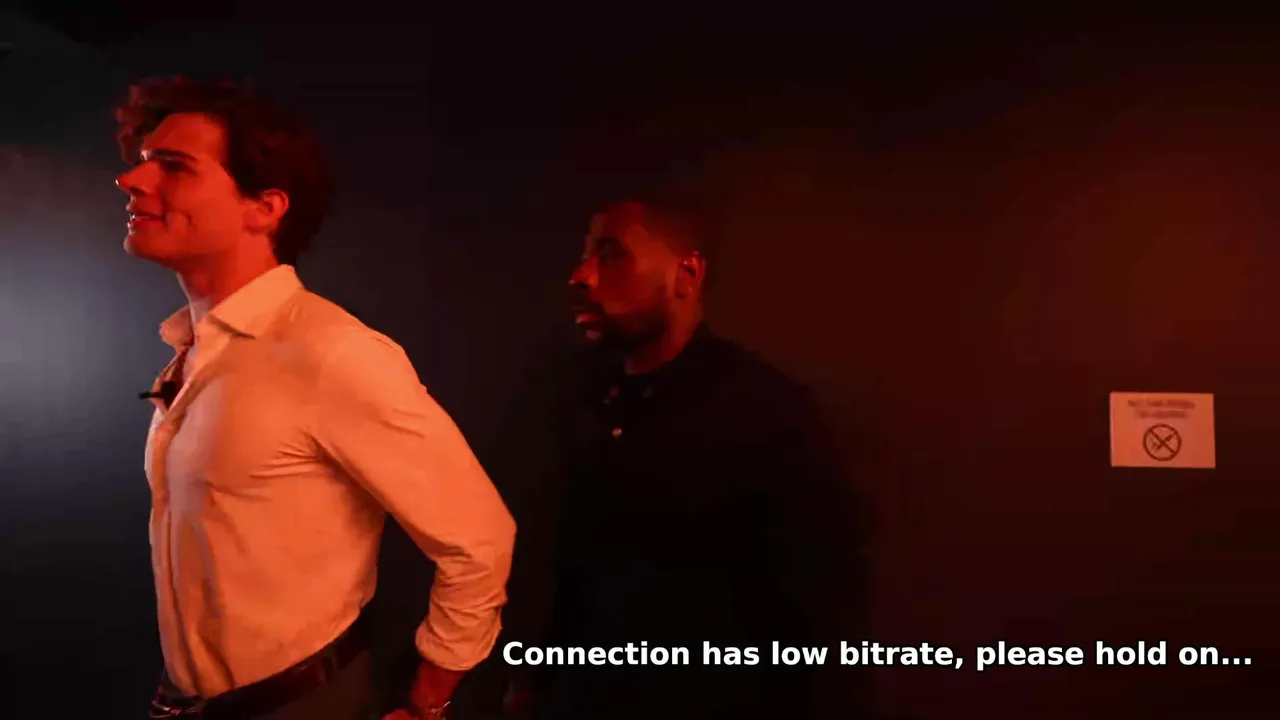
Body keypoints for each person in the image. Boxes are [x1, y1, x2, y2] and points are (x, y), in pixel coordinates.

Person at [114, 77, 516, 720]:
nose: (131, 181)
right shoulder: (196, 348)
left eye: (174, 167)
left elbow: (480, 542)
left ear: (264, 207)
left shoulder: (331, 353)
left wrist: (427, 703)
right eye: (141, 163)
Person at [489, 197, 872, 719]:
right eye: (584, 257)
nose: (581, 276)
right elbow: (569, 569)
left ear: (686, 274)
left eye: (611, 255)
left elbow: (822, 606)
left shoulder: (763, 410)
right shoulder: (583, 401)